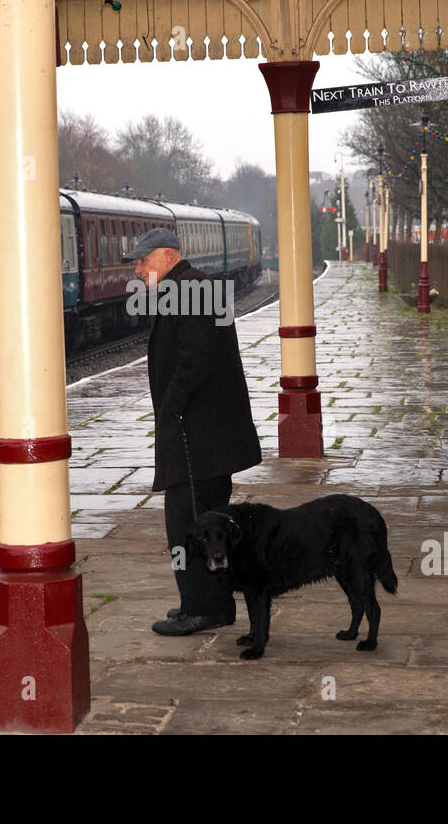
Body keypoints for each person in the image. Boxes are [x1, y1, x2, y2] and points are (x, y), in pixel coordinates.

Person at [123, 227, 262, 636]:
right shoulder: (192, 287)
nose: (138, 269)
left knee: (189, 526)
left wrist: (169, 410)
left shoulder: (191, 291)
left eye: (143, 261)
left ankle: (203, 607)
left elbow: (195, 362)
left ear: (166, 256)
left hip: (198, 435)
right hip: (204, 435)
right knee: (203, 522)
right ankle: (207, 603)